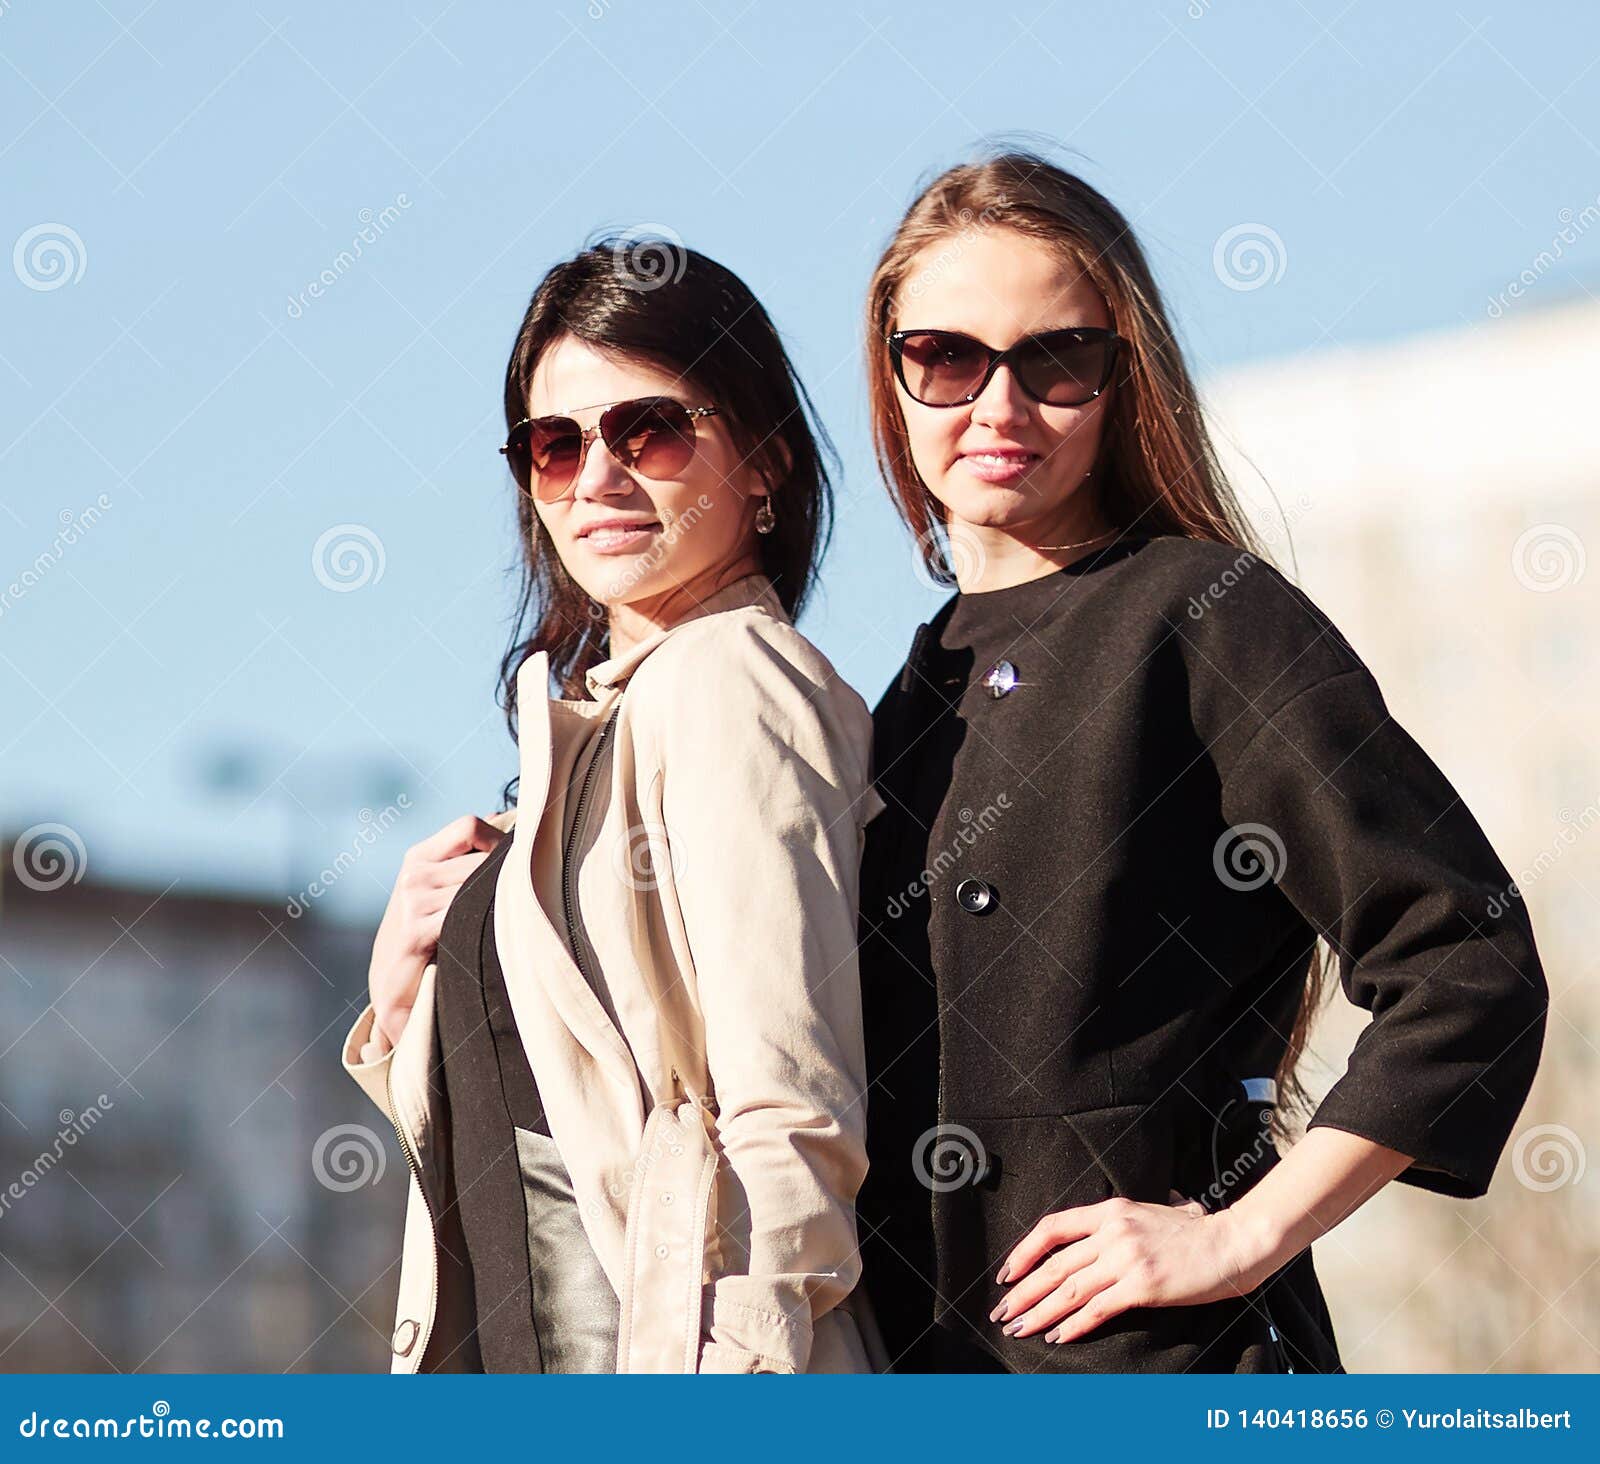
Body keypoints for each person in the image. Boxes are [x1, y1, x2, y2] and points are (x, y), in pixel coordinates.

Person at [854, 150, 1549, 1373]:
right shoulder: (897, 703)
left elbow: (1466, 958)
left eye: (1055, 359)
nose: (999, 408)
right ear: (894, 376)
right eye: (948, 358)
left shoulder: (1204, 614)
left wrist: (1241, 1239)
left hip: (1171, 1375)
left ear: (1125, 382)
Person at [340, 241, 884, 1374]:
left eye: (651, 430)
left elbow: (791, 1120)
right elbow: (541, 1138)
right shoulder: (597, 723)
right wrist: (404, 1011)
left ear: (764, 463)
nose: (596, 477)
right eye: (554, 444)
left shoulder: (731, 677)